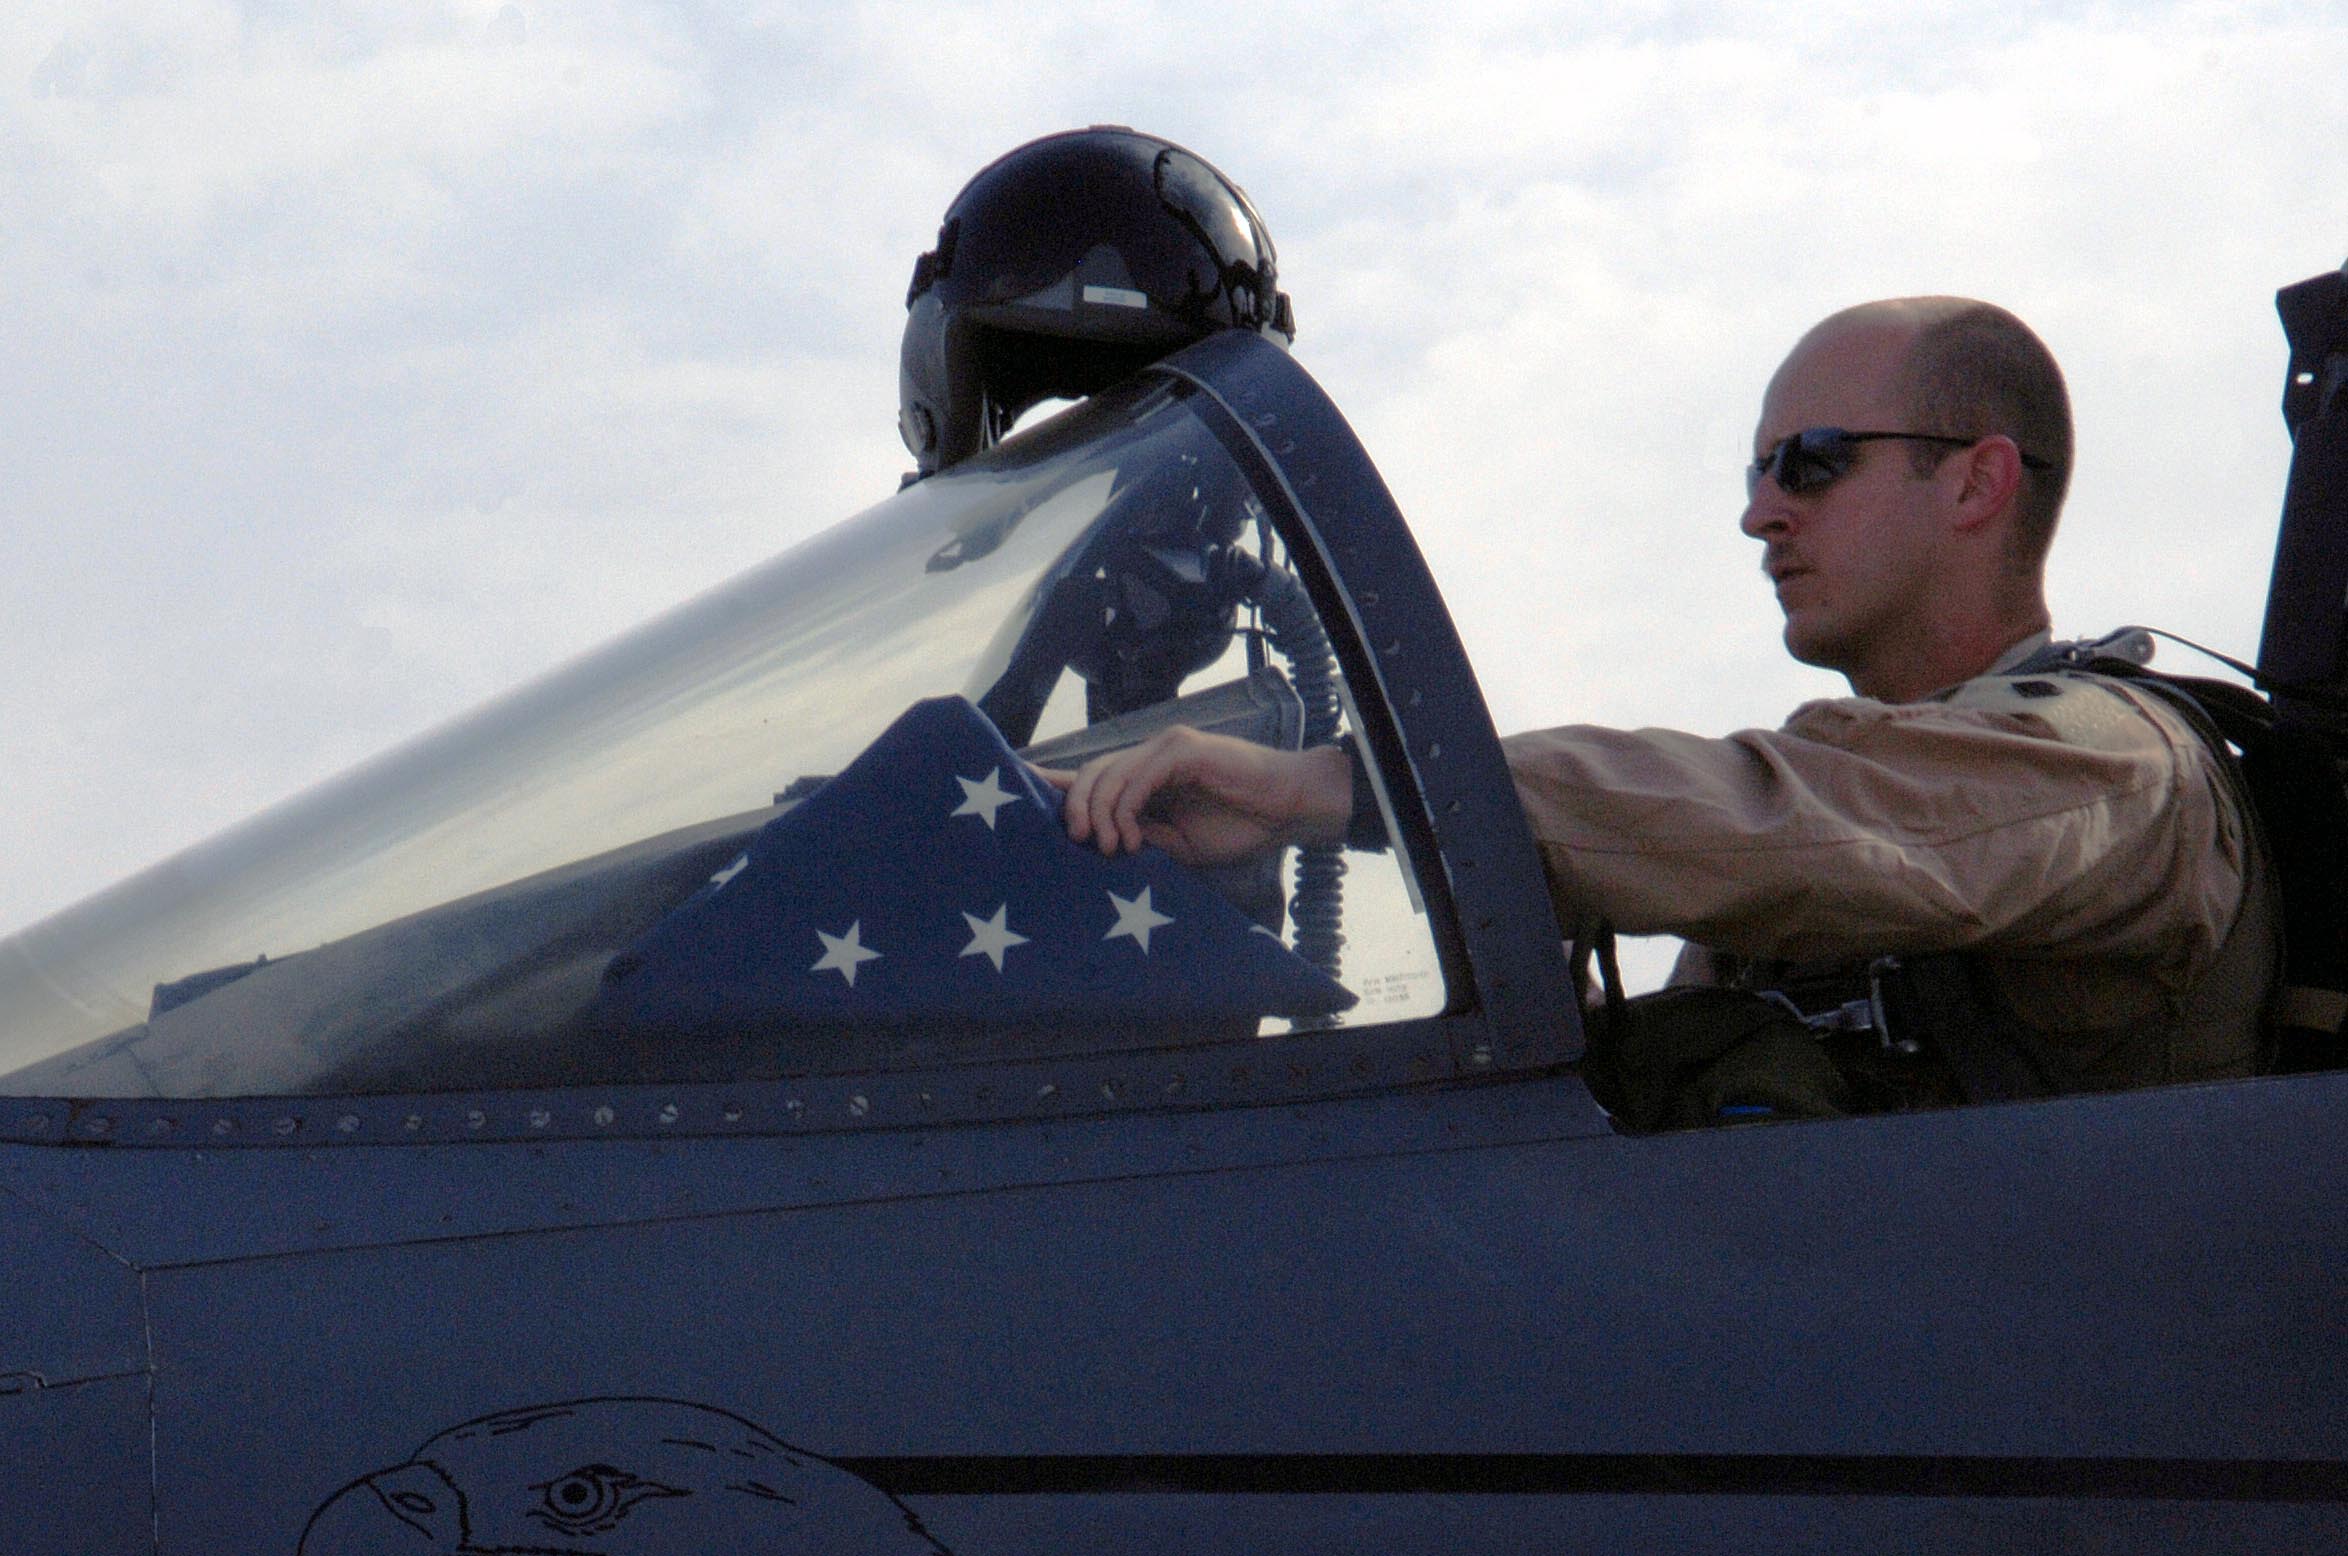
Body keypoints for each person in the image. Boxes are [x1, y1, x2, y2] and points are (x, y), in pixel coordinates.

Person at [1050, 297, 2277, 1125]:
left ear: (1975, 480)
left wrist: (1347, 786)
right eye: (1754, 470)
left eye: (1812, 459)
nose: (1760, 512)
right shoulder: (1802, 883)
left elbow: (1799, 816)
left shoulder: (2116, 766)